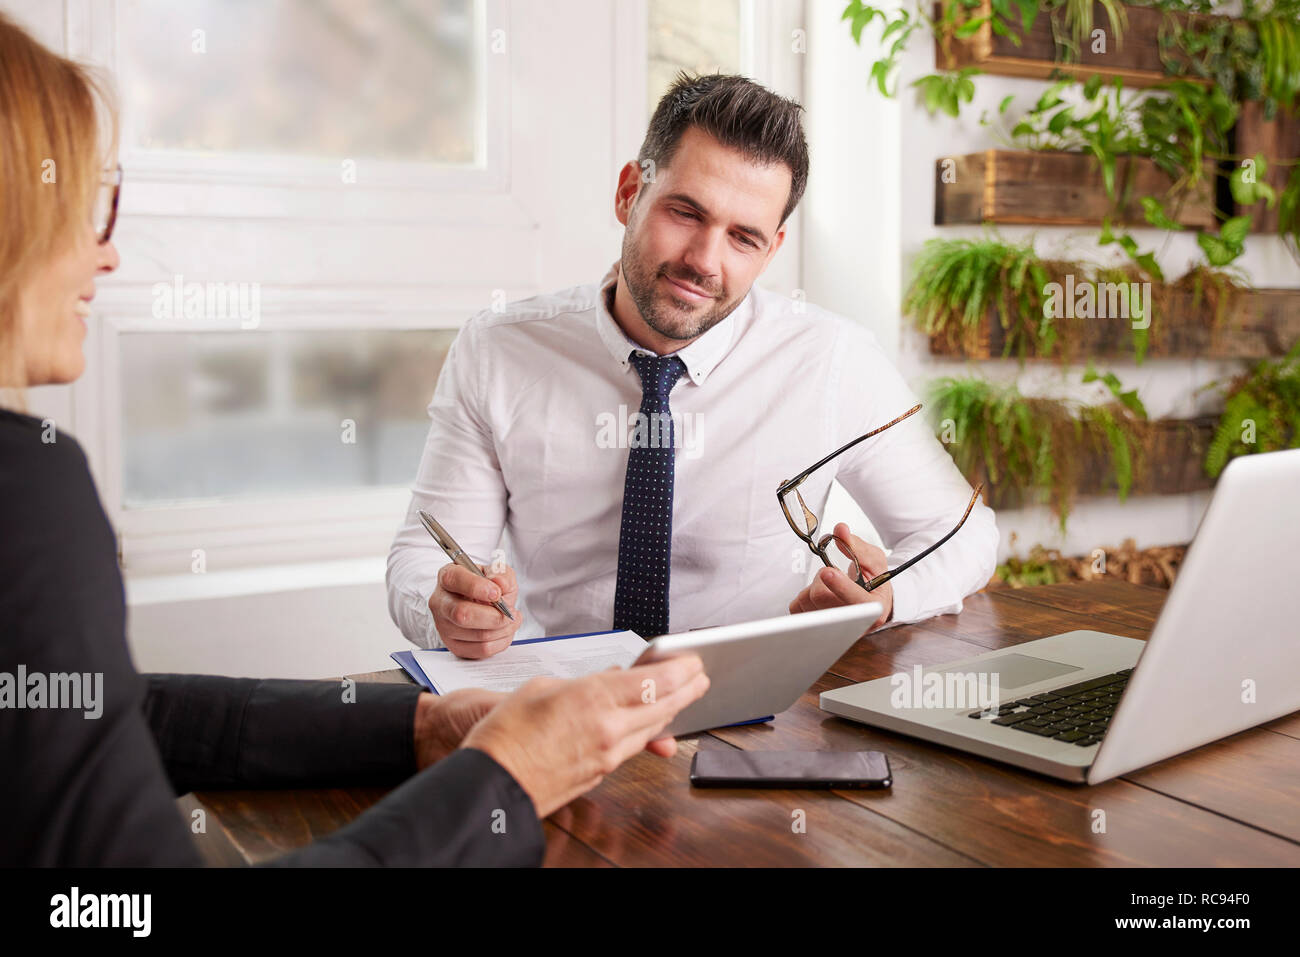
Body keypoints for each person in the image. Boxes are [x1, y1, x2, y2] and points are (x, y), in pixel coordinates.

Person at [0, 11, 708, 868]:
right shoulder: (26, 490)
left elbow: (105, 711)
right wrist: (507, 776)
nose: (106, 257)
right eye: (83, 208)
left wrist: (416, 725)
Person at [387, 72, 999, 658]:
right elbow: (424, 554)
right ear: (630, 192)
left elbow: (965, 535)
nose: (704, 262)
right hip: (561, 700)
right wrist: (442, 608)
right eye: (686, 213)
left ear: (772, 249)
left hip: (756, 712)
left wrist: (890, 596)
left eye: (744, 238)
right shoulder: (498, 349)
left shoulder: (833, 359)